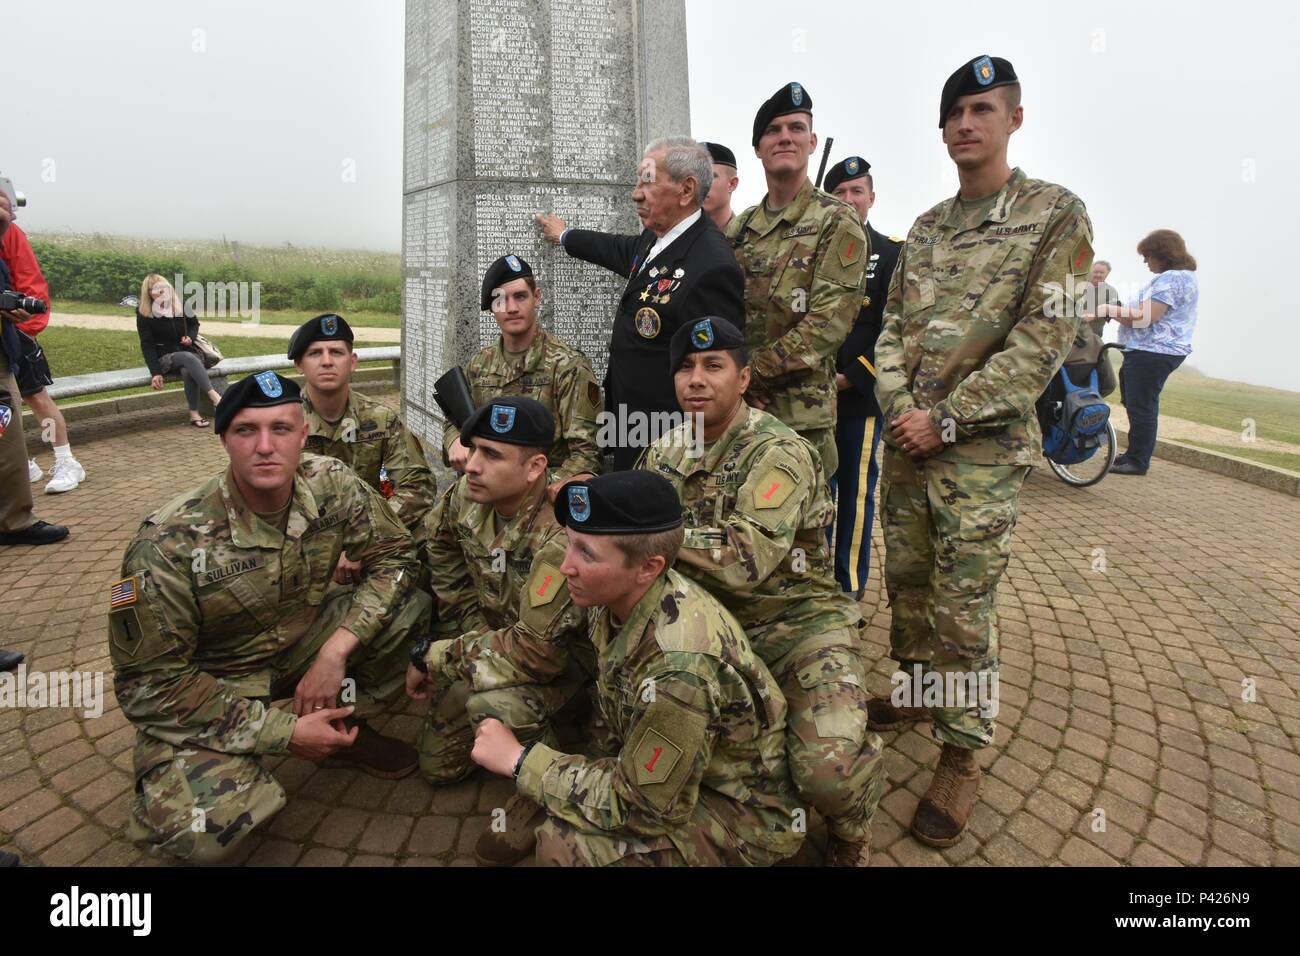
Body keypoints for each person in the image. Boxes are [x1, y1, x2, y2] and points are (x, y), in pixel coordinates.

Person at [872, 55, 1094, 846]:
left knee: (965, 609)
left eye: (981, 109)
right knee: (906, 586)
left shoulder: (1055, 216)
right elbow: (891, 332)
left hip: (982, 457)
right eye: (954, 113)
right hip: (908, 448)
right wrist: (901, 407)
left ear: (1014, 119)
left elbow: (1041, 343)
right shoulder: (926, 229)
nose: (966, 124)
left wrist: (948, 419)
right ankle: (915, 690)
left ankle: (961, 754)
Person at [108, 371, 432, 862]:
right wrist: (280, 734)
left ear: (303, 433)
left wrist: (335, 649)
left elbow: (395, 557)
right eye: (246, 430)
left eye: (281, 429)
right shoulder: (166, 545)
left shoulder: (332, 484)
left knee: (411, 610)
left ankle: (343, 731)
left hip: (303, 643)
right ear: (223, 440)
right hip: (216, 682)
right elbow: (149, 684)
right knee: (203, 830)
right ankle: (204, 759)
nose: (265, 446)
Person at [640, 317, 885, 866]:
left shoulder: (782, 452)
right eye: (685, 367)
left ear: (744, 378)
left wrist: (644, 531)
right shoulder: (663, 453)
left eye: (713, 366)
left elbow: (744, 561)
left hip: (797, 628)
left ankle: (852, 822)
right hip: (709, 628)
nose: (696, 380)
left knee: (826, 775)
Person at [469, 470, 803, 866]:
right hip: (674, 768)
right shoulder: (621, 594)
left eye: (587, 554)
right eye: (570, 545)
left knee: (562, 847)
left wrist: (522, 763)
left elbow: (646, 808)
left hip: (740, 811)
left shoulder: (680, 670)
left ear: (648, 567)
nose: (566, 567)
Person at [410, 396, 590, 865]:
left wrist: (439, 655)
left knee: (487, 702)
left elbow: (540, 656)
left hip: (566, 666)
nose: (472, 465)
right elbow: (442, 551)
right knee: (438, 767)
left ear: (535, 468)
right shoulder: (465, 499)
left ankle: (547, 777)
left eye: (492, 455)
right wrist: (469, 624)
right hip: (497, 643)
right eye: (473, 449)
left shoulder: (561, 535)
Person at [536, 136, 744, 471]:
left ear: (686, 190)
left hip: (671, 444)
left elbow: (716, 376)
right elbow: (619, 249)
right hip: (631, 424)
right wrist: (565, 236)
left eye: (647, 181)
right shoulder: (659, 236)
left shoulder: (711, 266)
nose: (636, 193)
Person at [727, 82, 867, 480]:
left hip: (801, 421)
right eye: (773, 130)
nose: (785, 137)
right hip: (741, 414)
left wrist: (750, 373)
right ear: (758, 148)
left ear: (812, 141)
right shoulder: (740, 229)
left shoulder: (836, 221)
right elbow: (719, 309)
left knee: (802, 537)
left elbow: (829, 321)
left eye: (795, 128)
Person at [442, 255, 602, 498]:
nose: (512, 308)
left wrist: (536, 488)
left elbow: (586, 455)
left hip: (541, 495)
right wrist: (454, 440)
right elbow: (455, 420)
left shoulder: (568, 366)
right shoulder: (479, 365)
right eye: (501, 300)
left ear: (536, 298)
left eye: (520, 296)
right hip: (486, 491)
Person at [824, 156, 903, 597]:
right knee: (815, 491)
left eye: (857, 191)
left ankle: (847, 586)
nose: (850, 200)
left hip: (857, 398)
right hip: (809, 398)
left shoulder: (891, 252)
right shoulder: (813, 248)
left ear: (872, 197)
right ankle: (813, 582)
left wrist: (853, 376)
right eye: (840, 192)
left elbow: (895, 325)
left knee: (854, 495)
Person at [290, 312, 435, 537]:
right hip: (307, 547)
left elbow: (417, 487)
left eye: (337, 352)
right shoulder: (283, 425)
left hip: (374, 539)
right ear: (299, 364)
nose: (327, 361)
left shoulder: (381, 420)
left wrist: (366, 535)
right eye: (315, 353)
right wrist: (328, 546)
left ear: (353, 362)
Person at [1094, 230, 1199, 476]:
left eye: (1148, 256)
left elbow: (1145, 318)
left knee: (1141, 406)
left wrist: (1108, 308)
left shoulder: (1171, 279)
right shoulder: (1183, 277)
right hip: (1157, 351)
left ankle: (1138, 460)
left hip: (1153, 352)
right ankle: (1135, 454)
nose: (1145, 261)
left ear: (1162, 255)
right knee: (1137, 403)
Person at [0, 189, 69, 547]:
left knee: (7, 434)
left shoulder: (11, 235)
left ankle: (14, 519)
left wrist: (20, 326)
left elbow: (29, 287)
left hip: (6, 348)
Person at [0, 219, 84, 493]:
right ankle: (22, 463)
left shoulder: (8, 231)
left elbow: (28, 275)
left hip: (14, 331)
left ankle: (65, 460)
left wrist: (26, 326)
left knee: (34, 395)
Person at [135, 273, 222, 427]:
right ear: (148, 293)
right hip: (164, 358)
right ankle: (216, 398)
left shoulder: (181, 305)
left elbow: (194, 325)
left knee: (188, 369)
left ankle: (194, 415)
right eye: (153, 289)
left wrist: (190, 337)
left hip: (189, 353)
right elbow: (147, 345)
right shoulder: (144, 313)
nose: (159, 292)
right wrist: (155, 372)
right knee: (187, 359)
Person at [700, 141, 739, 231]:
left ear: (732, 184)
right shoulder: (674, 236)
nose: (700, 183)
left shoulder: (749, 238)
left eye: (710, 176)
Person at [1081, 260, 1121, 339]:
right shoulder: (1079, 285)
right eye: (1095, 272)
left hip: (1091, 335)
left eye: (1102, 272)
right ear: (1091, 271)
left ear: (1107, 273)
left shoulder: (1111, 291)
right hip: (1069, 331)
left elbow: (1112, 309)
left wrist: (1092, 316)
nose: (1098, 275)